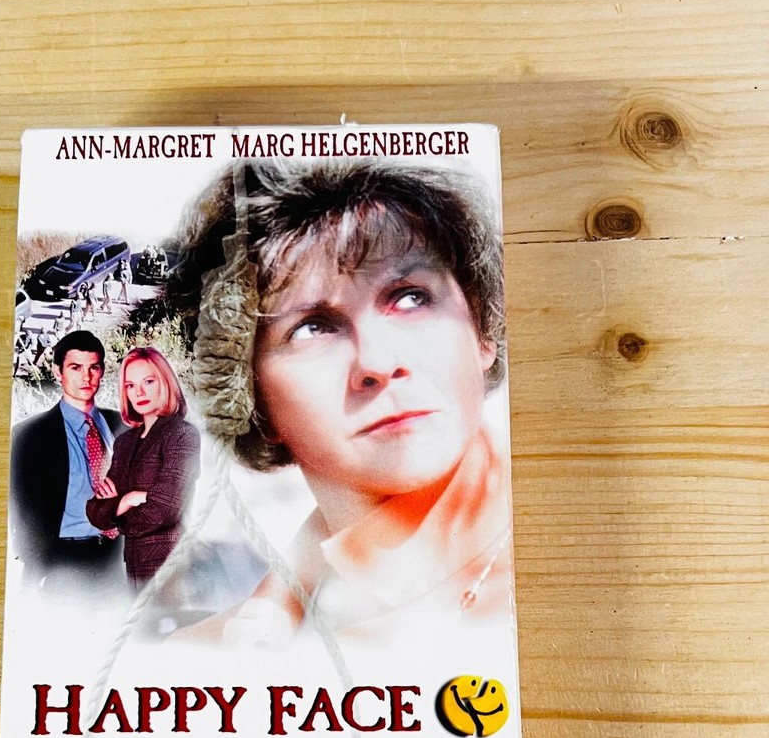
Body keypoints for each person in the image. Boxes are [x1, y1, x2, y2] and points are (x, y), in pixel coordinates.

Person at [162, 157, 511, 645]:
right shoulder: (210, 657)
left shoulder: (550, 565)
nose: (378, 362)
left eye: (411, 297)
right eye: (313, 328)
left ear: (481, 332)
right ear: (252, 401)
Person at [8, 332, 125, 586]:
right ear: (58, 372)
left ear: (103, 371)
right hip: (64, 562)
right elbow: (23, 512)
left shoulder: (124, 425)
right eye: (75, 367)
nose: (86, 377)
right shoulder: (28, 435)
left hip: (120, 558)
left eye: (93, 367)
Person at [86, 346, 200, 587]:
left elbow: (163, 510)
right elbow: (95, 511)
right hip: (134, 567)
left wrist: (117, 509)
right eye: (130, 385)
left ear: (165, 382)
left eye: (148, 381)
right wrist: (129, 500)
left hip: (173, 565)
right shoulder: (125, 442)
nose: (139, 392)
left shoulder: (182, 434)